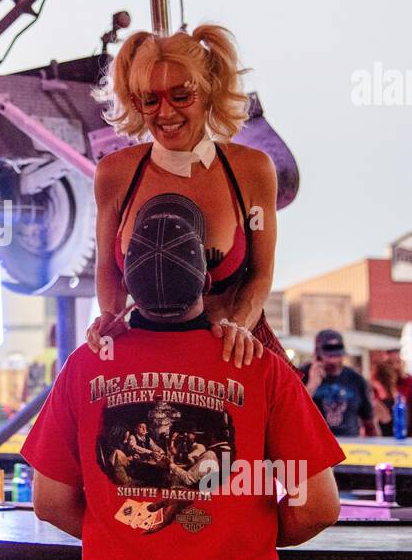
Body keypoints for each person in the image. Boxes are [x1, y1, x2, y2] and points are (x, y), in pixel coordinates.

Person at [24, 192, 343, 560]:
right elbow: (317, 507)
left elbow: (51, 501)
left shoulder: (88, 364)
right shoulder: (257, 365)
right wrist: (234, 538)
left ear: (128, 280)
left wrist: (126, 537)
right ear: (207, 276)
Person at [87, 26, 281, 369]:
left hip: (233, 357)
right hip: (150, 359)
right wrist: (110, 317)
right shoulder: (114, 175)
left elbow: (260, 274)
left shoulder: (252, 170)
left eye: (181, 96)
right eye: (150, 99)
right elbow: (108, 270)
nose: (165, 113)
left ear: (209, 91)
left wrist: (238, 327)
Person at [297, 331, 377, 438]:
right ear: (317, 354)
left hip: (349, 445)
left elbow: (369, 422)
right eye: (328, 352)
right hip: (313, 444)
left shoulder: (357, 380)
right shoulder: (301, 375)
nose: (333, 358)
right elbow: (292, 413)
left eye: (336, 352)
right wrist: (312, 385)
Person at [369, 354, 412, 438]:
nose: (394, 366)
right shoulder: (382, 392)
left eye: (397, 362)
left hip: (406, 443)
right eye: (389, 363)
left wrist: (411, 444)